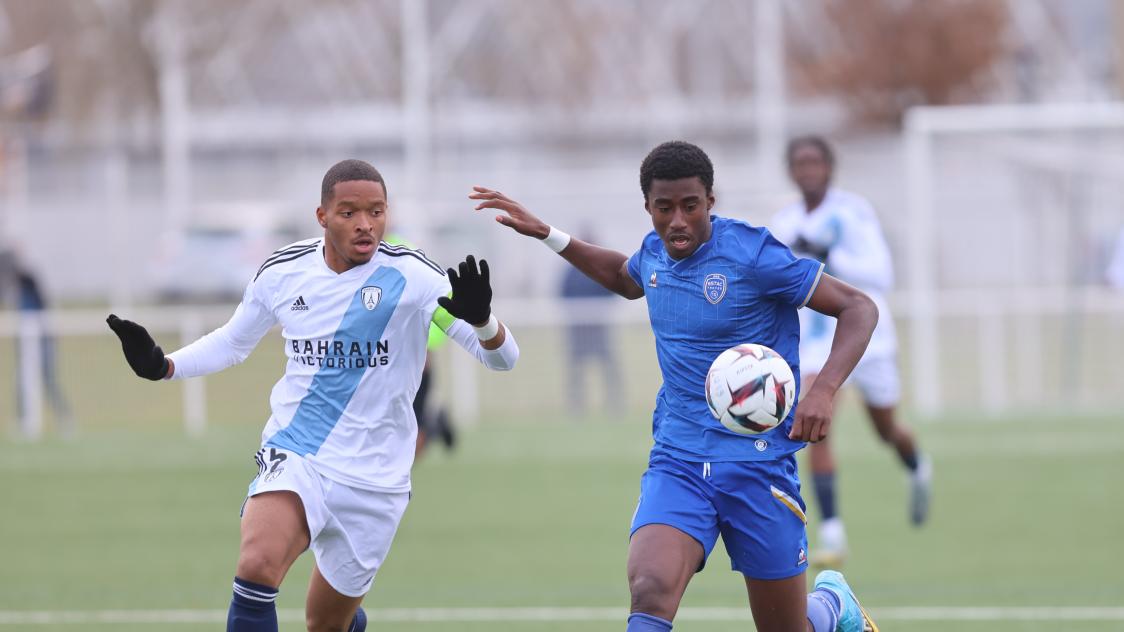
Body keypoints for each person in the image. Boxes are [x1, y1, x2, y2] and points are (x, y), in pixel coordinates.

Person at [473, 141, 880, 632]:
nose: (678, 221)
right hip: (680, 459)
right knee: (649, 590)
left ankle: (832, 607)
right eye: (664, 208)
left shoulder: (752, 253)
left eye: (691, 206)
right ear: (648, 207)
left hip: (759, 464)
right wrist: (547, 234)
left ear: (710, 200)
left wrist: (823, 390)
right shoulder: (654, 253)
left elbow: (859, 308)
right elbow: (625, 277)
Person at [106, 159, 519, 632]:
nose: (365, 224)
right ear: (322, 216)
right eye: (349, 213)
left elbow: (502, 359)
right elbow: (233, 342)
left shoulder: (417, 279)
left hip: (376, 477)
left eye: (377, 211)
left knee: (326, 624)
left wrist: (484, 321)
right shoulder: (284, 272)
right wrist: (164, 367)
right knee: (258, 564)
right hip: (298, 449)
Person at [771, 135, 932, 568]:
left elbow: (881, 273)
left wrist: (828, 259)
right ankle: (833, 532)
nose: (807, 170)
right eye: (799, 163)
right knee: (813, 419)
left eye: (814, 162)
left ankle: (916, 464)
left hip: (868, 340)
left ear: (829, 167)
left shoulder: (854, 213)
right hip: (817, 345)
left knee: (886, 429)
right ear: (791, 170)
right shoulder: (783, 224)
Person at [559, 235, 623, 417]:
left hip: (600, 330)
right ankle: (576, 408)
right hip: (578, 332)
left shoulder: (600, 267)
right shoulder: (570, 270)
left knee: (609, 370)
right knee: (576, 373)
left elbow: (616, 288)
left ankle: (615, 406)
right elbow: (563, 294)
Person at [14, 260, 73, 436]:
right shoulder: (19, 297)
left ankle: (65, 418)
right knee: (22, 382)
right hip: (27, 344)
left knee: (48, 381)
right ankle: (25, 422)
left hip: (43, 343)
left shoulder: (33, 292)